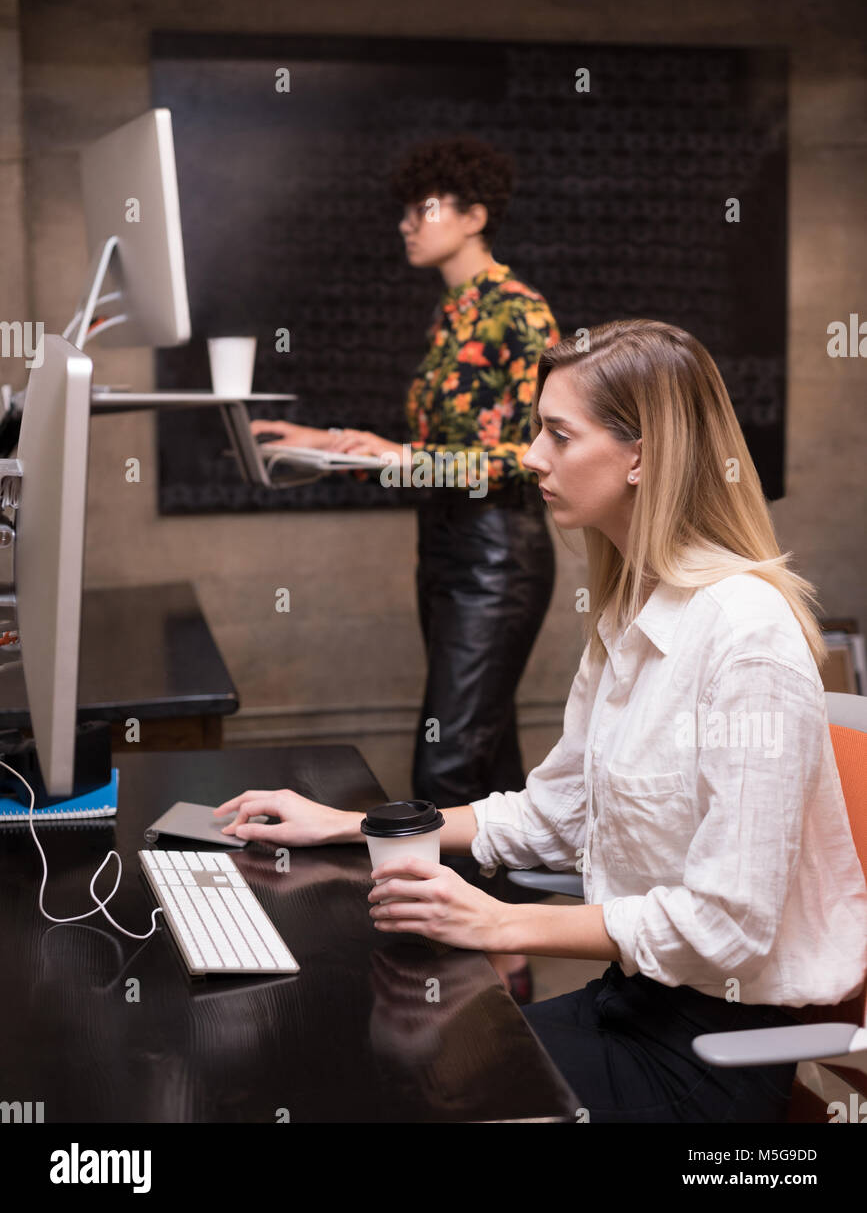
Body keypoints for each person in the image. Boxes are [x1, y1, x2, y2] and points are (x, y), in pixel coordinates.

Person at [224, 318, 867, 1122]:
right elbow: (552, 814)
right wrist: (344, 824)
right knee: (378, 1063)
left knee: (404, 1098)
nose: (530, 457)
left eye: (558, 435)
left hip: (708, 1060)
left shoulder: (745, 640)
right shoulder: (634, 610)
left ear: (641, 456)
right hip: (629, 1006)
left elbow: (728, 927)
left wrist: (498, 920)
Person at [250, 136, 561, 1002]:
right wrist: (328, 443)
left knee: (445, 771)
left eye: (423, 208)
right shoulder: (449, 313)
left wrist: (397, 454)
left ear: (472, 214)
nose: (405, 224)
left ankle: (441, 974)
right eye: (406, 208)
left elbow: (516, 459)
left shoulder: (516, 312)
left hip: (498, 553)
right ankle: (504, 972)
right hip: (449, 550)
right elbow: (432, 451)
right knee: (488, 757)